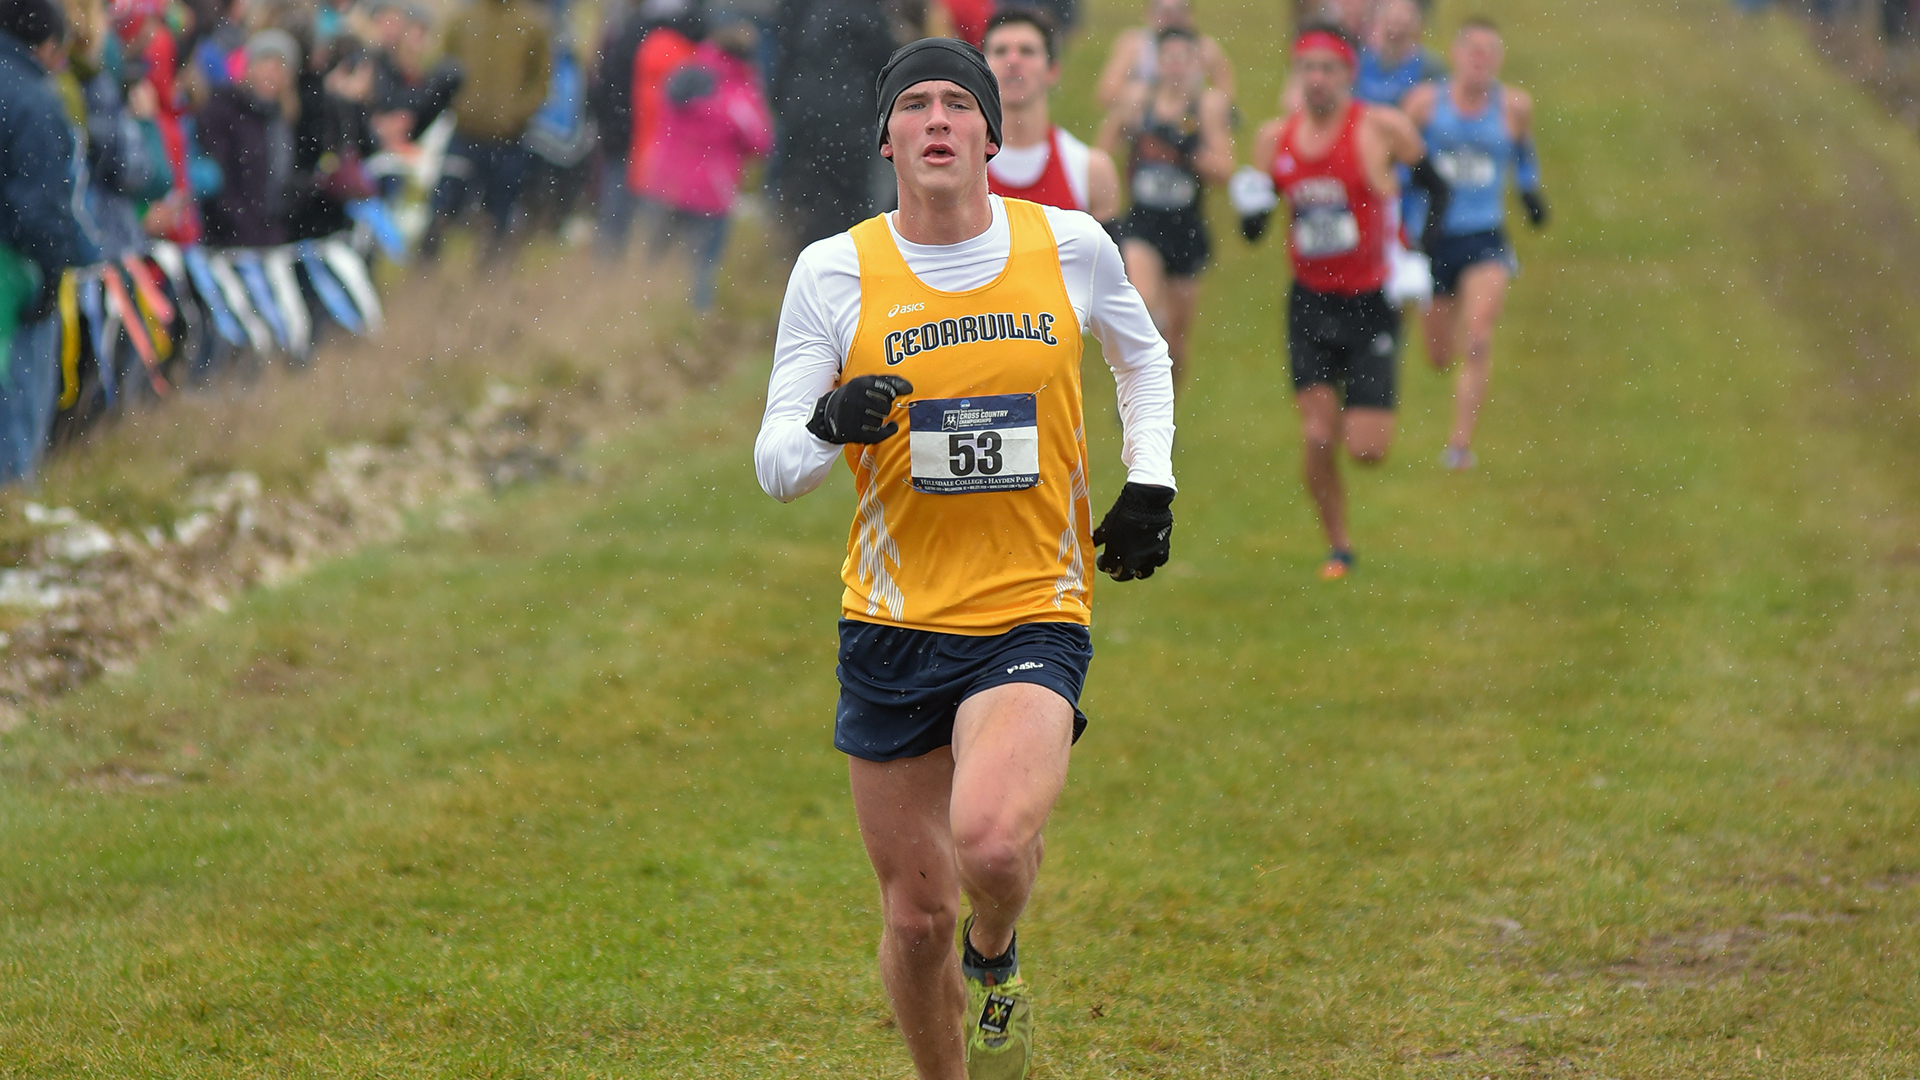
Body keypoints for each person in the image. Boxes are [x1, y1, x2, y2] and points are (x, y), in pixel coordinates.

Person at [753, 37, 1176, 1080]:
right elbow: (776, 464)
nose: (936, 119)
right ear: (886, 137)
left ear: (991, 133)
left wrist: (1151, 480)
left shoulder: (1068, 244)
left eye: (957, 103)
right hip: (892, 623)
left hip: (1032, 607)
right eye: (915, 104)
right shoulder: (833, 271)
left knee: (988, 844)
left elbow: (1142, 357)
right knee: (915, 919)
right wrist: (828, 422)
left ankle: (997, 950)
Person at [1241, 24, 1446, 580]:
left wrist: (1419, 250)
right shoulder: (1274, 139)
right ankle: (1339, 546)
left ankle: (1346, 509)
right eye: (1307, 68)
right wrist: (1251, 204)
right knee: (1317, 434)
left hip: (1370, 302)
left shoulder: (1381, 128)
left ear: (1348, 75)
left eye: (1328, 69)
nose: (1317, 79)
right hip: (1309, 303)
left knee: (1366, 449)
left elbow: (1437, 186)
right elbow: (1253, 228)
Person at [1401, 16, 1544, 470]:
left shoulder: (1514, 107)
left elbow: (1524, 154)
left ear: (1499, 60)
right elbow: (1400, 159)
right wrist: (1401, 222)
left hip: (1485, 236)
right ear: (1456, 54)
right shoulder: (1425, 103)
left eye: (1490, 52)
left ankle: (1460, 445)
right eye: (1473, 50)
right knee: (1439, 355)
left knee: (1478, 336)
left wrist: (1530, 193)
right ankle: (1456, 432)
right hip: (1433, 237)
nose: (1481, 59)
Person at [1097, 26, 1231, 387]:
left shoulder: (1205, 107)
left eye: (1183, 59)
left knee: (1176, 337)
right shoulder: (1138, 101)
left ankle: (1164, 401)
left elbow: (1225, 170)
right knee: (1141, 305)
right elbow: (1101, 153)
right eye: (1168, 58)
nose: (1175, 67)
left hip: (1186, 226)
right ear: (1156, 62)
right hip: (1142, 221)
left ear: (1195, 64)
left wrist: (1187, 148)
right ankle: (1135, 385)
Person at [0, 0, 89, 486]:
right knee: (17, 406)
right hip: (14, 271)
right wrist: (53, 273)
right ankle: (13, 511)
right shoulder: (34, 99)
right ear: (48, 42)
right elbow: (37, 209)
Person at [636, 19, 771, 309]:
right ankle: (689, 325)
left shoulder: (684, 75)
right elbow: (760, 140)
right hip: (709, 194)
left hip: (665, 184)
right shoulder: (738, 90)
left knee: (652, 264)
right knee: (699, 271)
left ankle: (637, 317)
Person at [435, 0, 551, 255]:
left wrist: (516, 115)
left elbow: (540, 80)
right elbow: (443, 67)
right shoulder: (463, 20)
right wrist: (459, 106)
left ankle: (493, 272)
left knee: (500, 215)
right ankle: (426, 270)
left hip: (509, 139)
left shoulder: (532, 24)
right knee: (441, 208)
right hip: (464, 134)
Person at [982, 7, 1118, 222]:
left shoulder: (1091, 171)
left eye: (1027, 51)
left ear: (1052, 70)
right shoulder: (960, 166)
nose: (1013, 60)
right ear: (982, 71)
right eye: (1000, 51)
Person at [1092, 0, 1232, 112]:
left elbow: (1226, 101)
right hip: (1144, 121)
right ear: (1149, 14)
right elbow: (1106, 96)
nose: (1171, 18)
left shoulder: (1205, 48)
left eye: (1178, 10)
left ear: (1190, 15)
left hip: (1190, 122)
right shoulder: (1134, 45)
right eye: (1164, 11)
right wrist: (1156, 97)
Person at [1355, 0, 1440, 107]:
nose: (1397, 29)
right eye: (1392, 18)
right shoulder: (1357, 60)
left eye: (1403, 21)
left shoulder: (1430, 69)